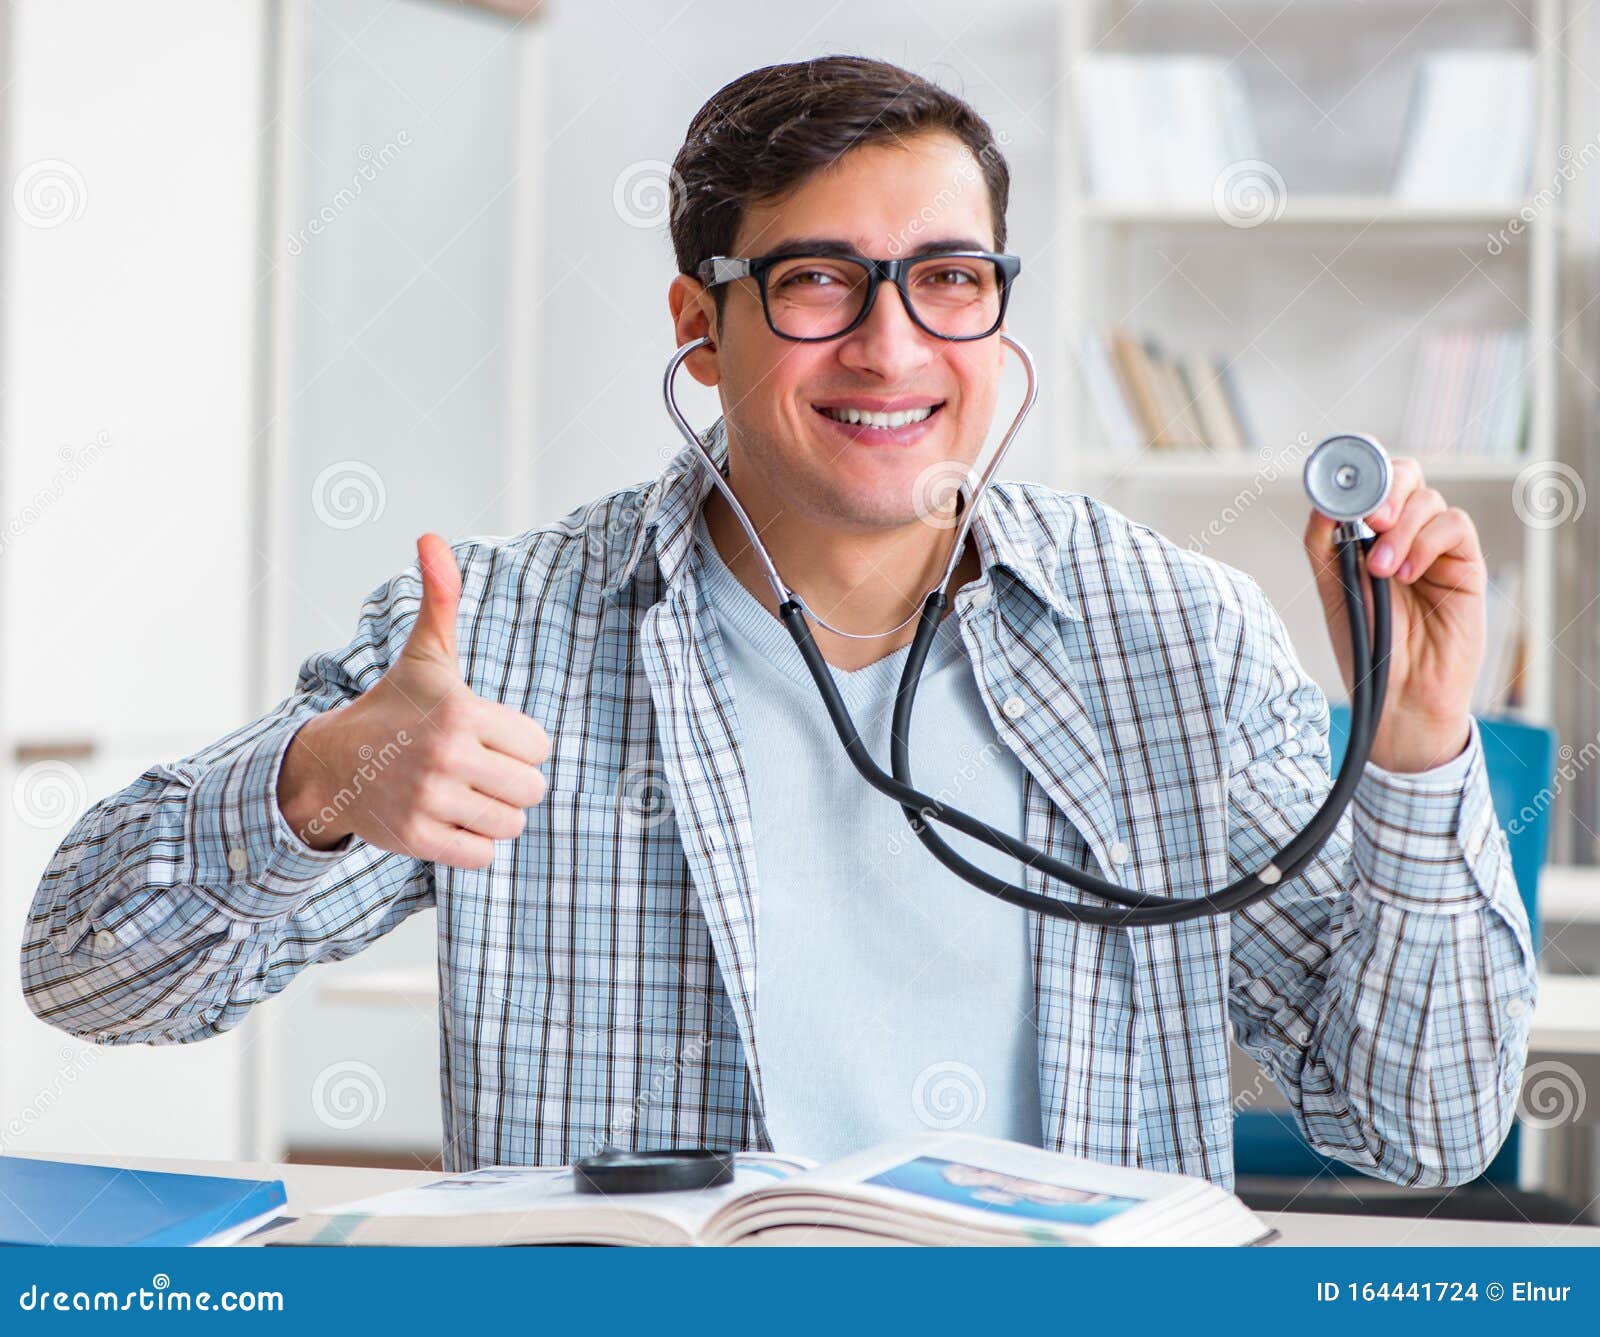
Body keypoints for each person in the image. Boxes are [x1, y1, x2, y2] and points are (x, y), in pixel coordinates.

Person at [23, 55, 1534, 1186]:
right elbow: (89, 973)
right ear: (701, 321)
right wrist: (320, 784)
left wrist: (1415, 752)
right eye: (822, 282)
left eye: (948, 281)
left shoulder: (1177, 638)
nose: (894, 349)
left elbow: (1420, 1132)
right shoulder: (501, 635)